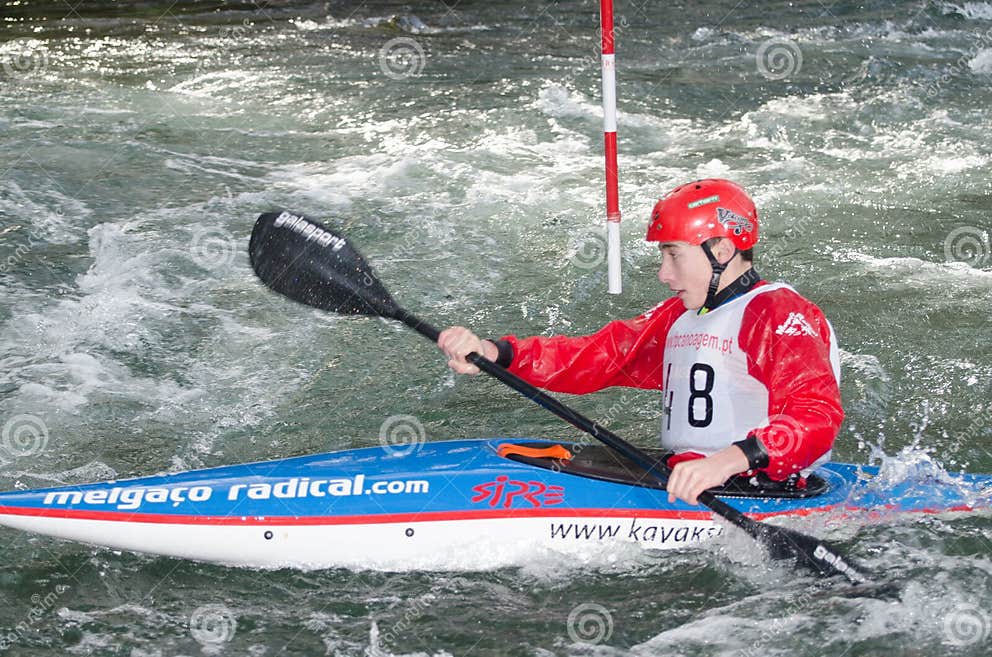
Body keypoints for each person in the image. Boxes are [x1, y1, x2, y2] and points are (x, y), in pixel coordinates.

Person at [437, 179, 843, 506]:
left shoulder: (778, 312)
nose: (664, 274)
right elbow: (597, 357)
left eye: (674, 256)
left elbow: (816, 416)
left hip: (760, 487)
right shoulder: (683, 316)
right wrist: (498, 353)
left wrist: (726, 462)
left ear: (722, 249)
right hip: (687, 474)